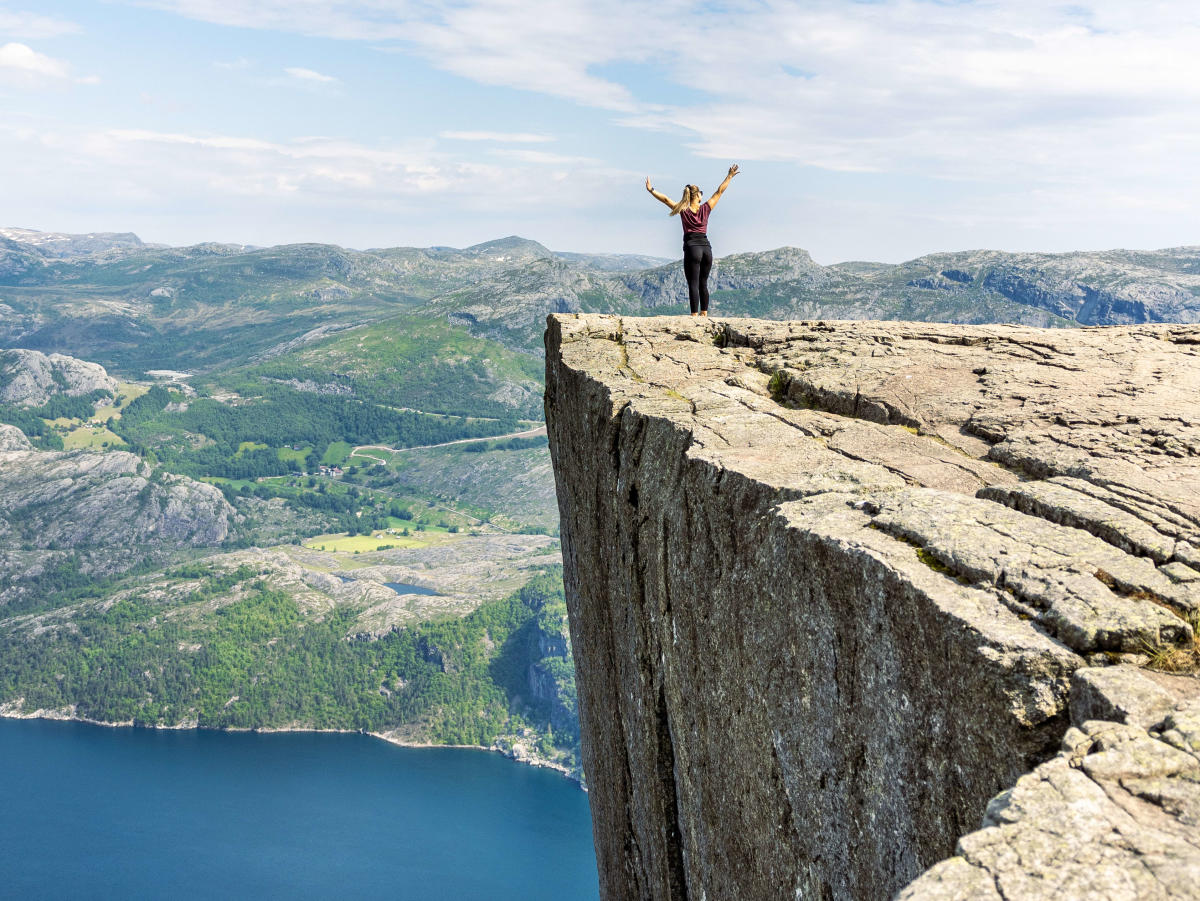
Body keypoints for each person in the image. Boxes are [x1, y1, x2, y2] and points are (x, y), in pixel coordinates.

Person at [645, 164, 739, 316]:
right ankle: (704, 314)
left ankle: (694, 316)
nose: (703, 196)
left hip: (692, 249)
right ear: (697, 196)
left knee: (693, 284)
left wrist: (651, 190)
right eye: (701, 193)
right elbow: (719, 191)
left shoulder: (683, 210)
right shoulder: (706, 208)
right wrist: (729, 176)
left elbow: (666, 199)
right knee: (703, 283)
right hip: (706, 249)